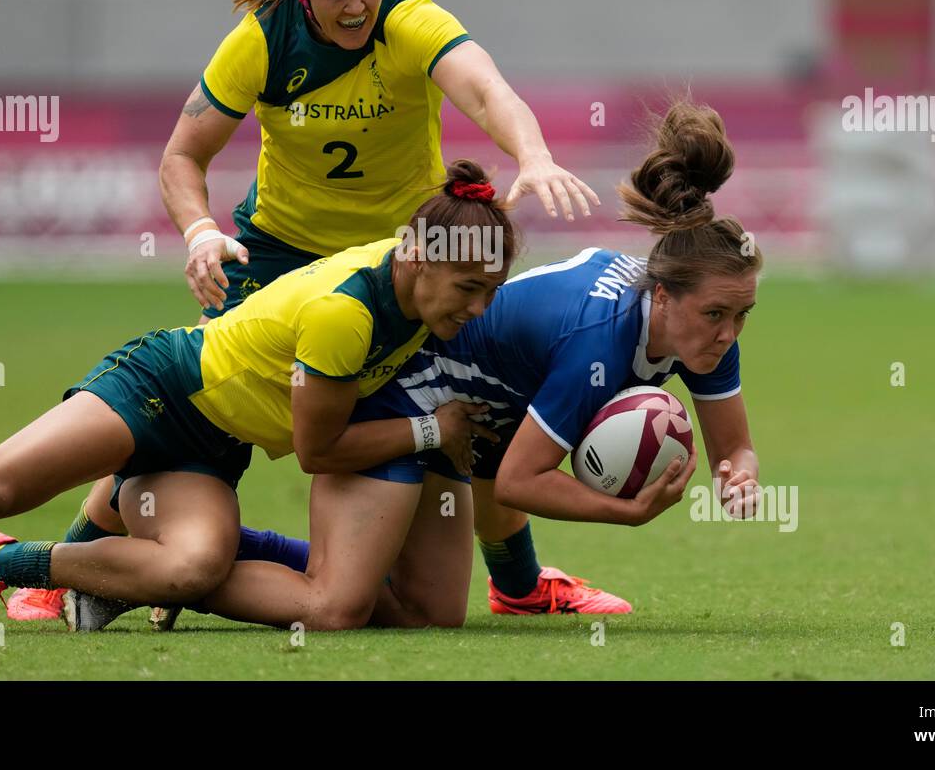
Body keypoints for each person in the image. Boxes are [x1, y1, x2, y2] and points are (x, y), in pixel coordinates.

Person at [6, 0, 615, 623]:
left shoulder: (409, 19)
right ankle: (62, 573)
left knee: (475, 411)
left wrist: (534, 154)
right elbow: (182, 157)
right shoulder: (262, 39)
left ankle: (518, 587)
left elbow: (485, 90)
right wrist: (201, 234)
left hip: (402, 272)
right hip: (278, 258)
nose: (357, 6)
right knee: (198, 425)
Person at [70, 99, 764, 632]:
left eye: (741, 316)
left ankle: (516, 589)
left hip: (480, 406)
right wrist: (625, 513)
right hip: (407, 388)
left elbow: (733, 448)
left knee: (429, 612)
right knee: (341, 602)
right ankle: (156, 567)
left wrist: (739, 474)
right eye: (717, 315)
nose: (728, 333)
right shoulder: (598, 341)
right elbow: (519, 480)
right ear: (663, 296)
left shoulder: (698, 321)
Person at [0, 163, 514, 639]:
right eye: (468, 289)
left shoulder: (415, 281)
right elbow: (318, 451)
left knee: (193, 568)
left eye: (490, 291)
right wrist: (432, 432)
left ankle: (3, 561)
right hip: (158, 388)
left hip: (210, 450)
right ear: (418, 256)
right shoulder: (347, 313)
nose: (478, 308)